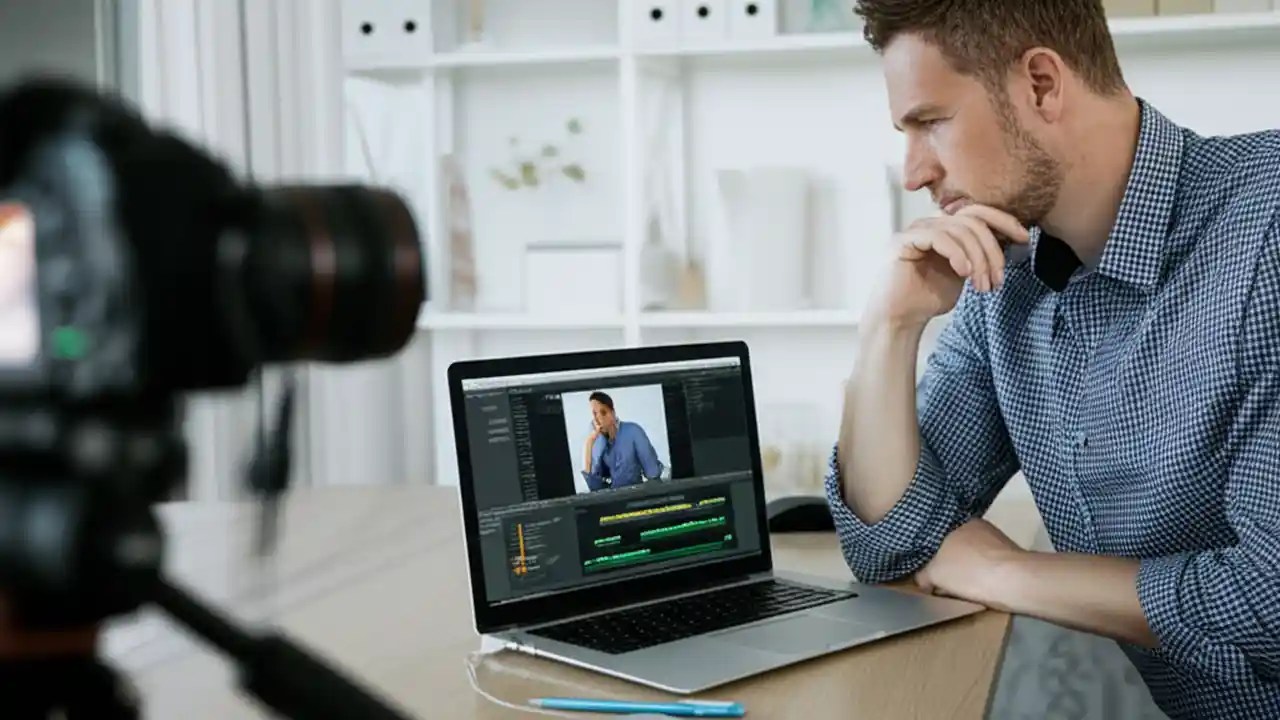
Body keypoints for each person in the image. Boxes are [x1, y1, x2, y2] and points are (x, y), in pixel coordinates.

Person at [826, 1, 1280, 718]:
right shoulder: (1002, 279)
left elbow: (1269, 603)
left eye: (931, 121)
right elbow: (891, 542)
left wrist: (1002, 570)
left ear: (1041, 83)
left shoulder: (1267, 228)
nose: (913, 173)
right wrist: (889, 328)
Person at [581, 391, 665, 492]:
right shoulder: (597, 441)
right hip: (609, 498)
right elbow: (594, 487)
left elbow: (653, 474)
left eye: (603, 413)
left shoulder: (633, 431)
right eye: (594, 414)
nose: (598, 420)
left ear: (612, 413)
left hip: (634, 494)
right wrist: (589, 442)